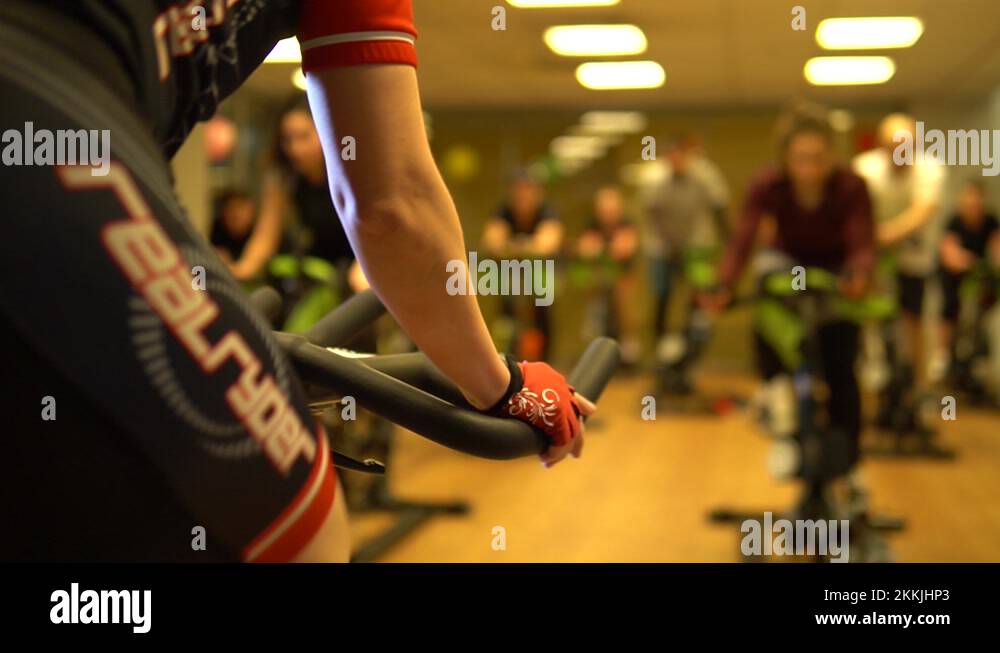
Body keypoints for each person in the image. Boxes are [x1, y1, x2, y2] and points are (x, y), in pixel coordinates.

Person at [0, 0, 591, 563]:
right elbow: (392, 207)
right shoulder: (285, 174)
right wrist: (503, 384)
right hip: (43, 121)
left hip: (63, 142)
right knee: (303, 530)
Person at [700, 102, 875, 482]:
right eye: (800, 159)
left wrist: (859, 273)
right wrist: (724, 284)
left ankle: (851, 464)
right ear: (785, 157)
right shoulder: (767, 184)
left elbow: (862, 240)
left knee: (842, 367)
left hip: (833, 269)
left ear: (832, 156)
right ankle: (777, 395)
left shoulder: (852, 186)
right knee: (767, 289)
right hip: (787, 265)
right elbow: (743, 238)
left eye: (817, 158)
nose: (809, 169)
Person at [852, 113, 946, 392]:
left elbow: (922, 211)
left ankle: (920, 386)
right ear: (883, 147)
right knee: (870, 316)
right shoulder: (864, 170)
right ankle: (874, 377)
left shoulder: (930, 169)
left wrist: (884, 235)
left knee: (915, 321)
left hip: (914, 258)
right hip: (875, 259)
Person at [647, 137, 728, 373]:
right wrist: (669, 248)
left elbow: (720, 210)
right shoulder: (656, 179)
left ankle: (690, 354)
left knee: (699, 301)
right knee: (663, 298)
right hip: (664, 249)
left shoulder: (705, 176)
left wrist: (729, 247)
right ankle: (662, 356)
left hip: (697, 249)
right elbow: (654, 219)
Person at [482, 170, 564, 360]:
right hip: (511, 276)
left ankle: (545, 361)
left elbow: (548, 243)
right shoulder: (503, 211)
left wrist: (514, 246)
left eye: (528, 190)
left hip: (541, 276)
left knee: (542, 312)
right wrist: (526, 247)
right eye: (519, 190)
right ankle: (509, 361)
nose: (523, 196)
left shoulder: (547, 212)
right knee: (507, 317)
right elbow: (492, 241)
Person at [938, 180, 1000, 371]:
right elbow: (948, 250)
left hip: (979, 272)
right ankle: (944, 355)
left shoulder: (990, 220)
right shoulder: (954, 220)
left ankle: (981, 351)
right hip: (954, 271)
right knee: (950, 307)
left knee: (987, 302)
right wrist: (963, 260)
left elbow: (997, 246)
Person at [575, 185, 640, 365]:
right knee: (593, 302)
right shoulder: (592, 225)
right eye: (604, 210)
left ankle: (629, 352)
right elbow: (585, 249)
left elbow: (625, 248)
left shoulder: (626, 223)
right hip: (599, 278)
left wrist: (601, 249)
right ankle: (593, 344)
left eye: (612, 210)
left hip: (622, 278)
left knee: (625, 304)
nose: (608, 215)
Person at [210, 188, 256, 265]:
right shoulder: (218, 234)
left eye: (240, 207)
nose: (236, 215)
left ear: (251, 210)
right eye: (231, 208)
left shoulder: (262, 235)